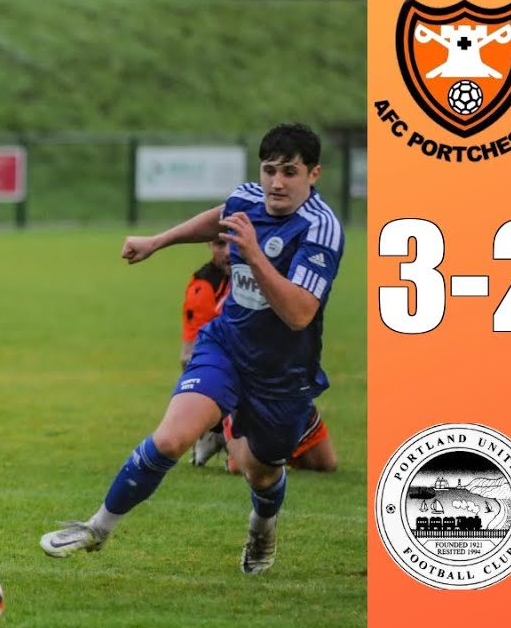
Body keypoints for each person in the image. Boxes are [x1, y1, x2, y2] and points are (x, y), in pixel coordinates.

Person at [40, 122, 344, 575]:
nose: (277, 182)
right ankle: (97, 528)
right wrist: (158, 241)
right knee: (170, 439)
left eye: (290, 172)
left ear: (313, 174)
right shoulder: (248, 199)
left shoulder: (320, 230)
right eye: (269, 170)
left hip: (283, 373)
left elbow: (299, 313)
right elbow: (221, 213)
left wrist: (256, 256)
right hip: (227, 346)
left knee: (258, 472)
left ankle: (263, 526)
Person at [184, 240, 339, 473]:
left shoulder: (271, 270)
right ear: (208, 244)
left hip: (282, 378)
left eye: (231, 242)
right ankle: (219, 429)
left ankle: (261, 443)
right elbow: (189, 355)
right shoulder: (205, 287)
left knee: (324, 464)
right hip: (239, 386)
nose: (227, 252)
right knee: (247, 468)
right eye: (219, 244)